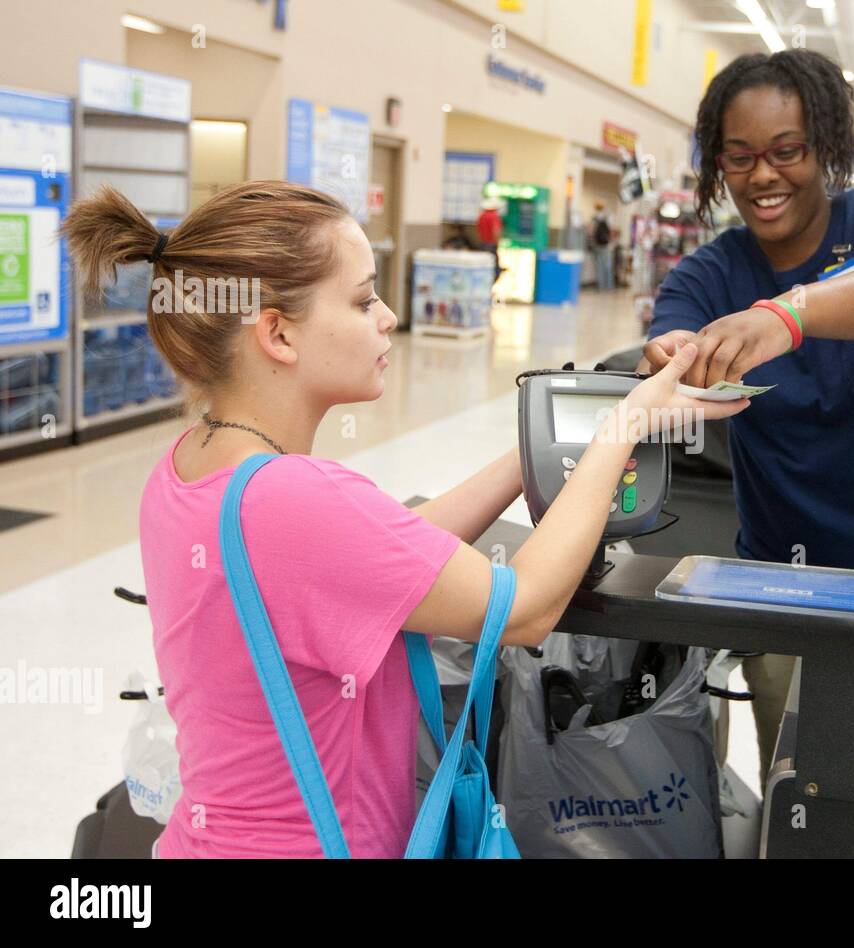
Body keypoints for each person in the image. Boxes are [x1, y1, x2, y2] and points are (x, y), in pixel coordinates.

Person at [61, 181, 745, 858]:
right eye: (362, 300)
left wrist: (553, 441)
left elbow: (391, 555)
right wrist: (624, 426)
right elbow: (525, 609)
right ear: (277, 332)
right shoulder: (293, 500)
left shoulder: (192, 468)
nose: (388, 316)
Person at [639, 50, 854, 778]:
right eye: (740, 156)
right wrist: (668, 359)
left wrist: (788, 317)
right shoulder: (711, 272)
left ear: (824, 146)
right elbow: (668, 349)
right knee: (800, 797)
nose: (762, 175)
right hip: (786, 591)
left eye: (786, 152)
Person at [476, 196, 504, 282]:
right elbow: (496, 231)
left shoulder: (482, 216)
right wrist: (498, 242)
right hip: (491, 245)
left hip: (483, 244)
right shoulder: (494, 216)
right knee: (494, 270)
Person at [591, 201, 615, 290]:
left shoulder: (594, 218)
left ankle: (601, 287)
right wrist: (611, 241)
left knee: (599, 266)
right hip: (606, 245)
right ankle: (609, 286)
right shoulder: (607, 217)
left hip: (597, 244)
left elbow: (591, 231)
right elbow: (612, 231)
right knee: (608, 266)